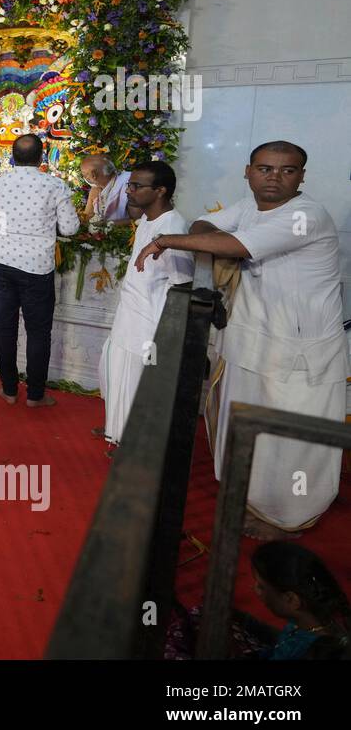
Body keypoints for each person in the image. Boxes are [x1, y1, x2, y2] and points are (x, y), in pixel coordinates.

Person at [134, 141, 347, 539]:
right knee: (248, 428)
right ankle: (254, 499)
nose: (274, 177)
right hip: (253, 341)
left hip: (299, 349)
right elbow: (202, 224)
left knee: (290, 438)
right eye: (265, 168)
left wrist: (166, 241)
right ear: (248, 171)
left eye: (287, 170)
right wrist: (205, 237)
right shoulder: (249, 207)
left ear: (302, 176)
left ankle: (290, 518)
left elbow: (234, 245)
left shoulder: (306, 215)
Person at [0, 133, 79, 407]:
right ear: (42, 157)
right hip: (36, 268)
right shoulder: (54, 185)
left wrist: (6, 228)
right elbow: (69, 228)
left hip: (1, 263)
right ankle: (35, 395)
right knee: (38, 332)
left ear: (11, 157)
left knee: (4, 329)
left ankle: (8, 391)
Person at [96, 162, 193, 447]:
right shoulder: (147, 219)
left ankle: (134, 445)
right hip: (130, 317)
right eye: (129, 185)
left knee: (137, 387)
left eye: (137, 186)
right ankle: (117, 434)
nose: (130, 191)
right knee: (115, 377)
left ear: (160, 190)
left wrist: (165, 334)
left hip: (148, 325)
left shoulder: (173, 226)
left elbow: (182, 283)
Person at [166, 542, 351, 660]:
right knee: (199, 617)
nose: (255, 589)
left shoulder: (315, 650)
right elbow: (281, 639)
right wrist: (241, 617)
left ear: (290, 599)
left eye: (261, 586)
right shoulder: (313, 622)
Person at [80, 154, 132, 225]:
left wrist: (107, 224)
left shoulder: (128, 182)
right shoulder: (96, 189)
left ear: (93, 175)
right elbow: (87, 217)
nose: (85, 178)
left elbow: (139, 219)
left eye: (84, 175)